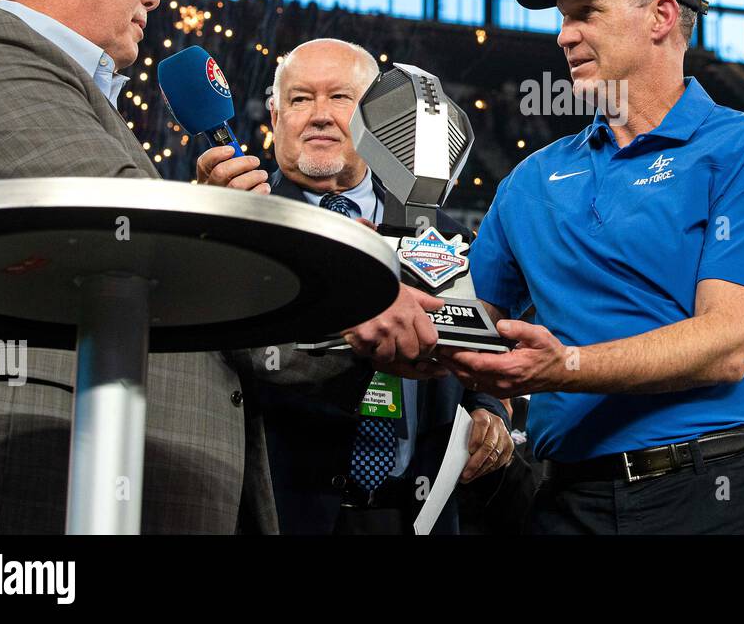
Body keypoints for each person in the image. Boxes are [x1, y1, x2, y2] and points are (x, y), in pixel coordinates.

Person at [0, 0, 428, 534]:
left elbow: (171, 277)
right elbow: (115, 233)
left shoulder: (80, 96)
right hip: (46, 470)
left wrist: (361, 321)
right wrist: (221, 224)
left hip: (122, 472)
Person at [439, 0, 744, 534]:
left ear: (662, 15)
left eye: (587, 12)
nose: (564, 35)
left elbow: (730, 343)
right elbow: (471, 324)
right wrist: (394, 312)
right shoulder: (531, 180)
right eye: (562, 18)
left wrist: (567, 367)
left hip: (720, 497)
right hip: (566, 502)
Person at [198, 38, 529, 533]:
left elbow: (477, 357)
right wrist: (213, 237)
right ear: (274, 117)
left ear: (378, 115)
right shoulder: (239, 220)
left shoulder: (445, 236)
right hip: (279, 512)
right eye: (300, 98)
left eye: (340, 98)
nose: (320, 116)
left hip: (418, 514)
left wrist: (488, 413)